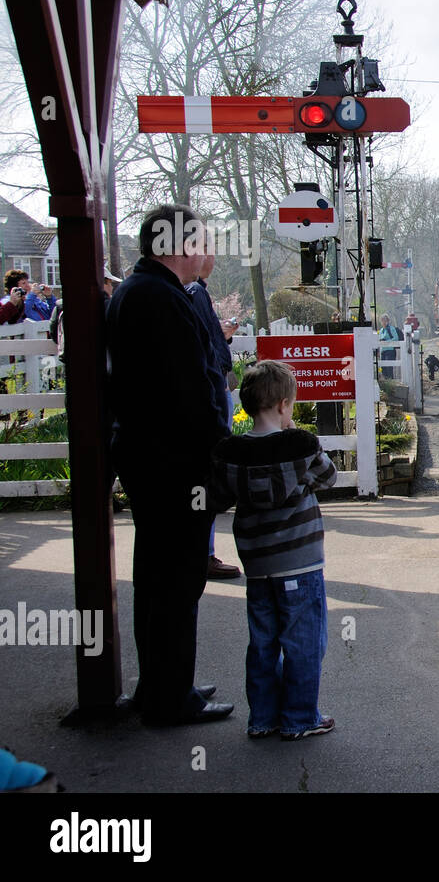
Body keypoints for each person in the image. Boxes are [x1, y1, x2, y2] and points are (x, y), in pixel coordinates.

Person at [107, 204, 232, 725]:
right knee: (176, 582)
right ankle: (167, 699)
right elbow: (189, 392)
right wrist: (222, 452)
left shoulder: (142, 292)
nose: (208, 252)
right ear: (179, 246)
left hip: (153, 459)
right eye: (202, 241)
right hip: (173, 465)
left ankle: (164, 683)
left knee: (161, 579)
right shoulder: (161, 299)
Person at [207, 360, 337, 740]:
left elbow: (216, 496)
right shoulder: (301, 445)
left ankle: (263, 718)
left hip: (258, 566)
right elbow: (328, 477)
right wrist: (299, 482)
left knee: (263, 643)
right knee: (304, 643)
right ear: (284, 405)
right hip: (301, 564)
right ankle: (299, 718)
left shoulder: (231, 453)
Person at [186, 256, 241, 579]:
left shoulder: (196, 293)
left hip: (215, 383)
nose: (213, 257)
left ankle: (203, 552)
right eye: (205, 249)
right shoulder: (193, 293)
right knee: (207, 471)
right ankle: (202, 554)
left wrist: (223, 336)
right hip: (211, 388)